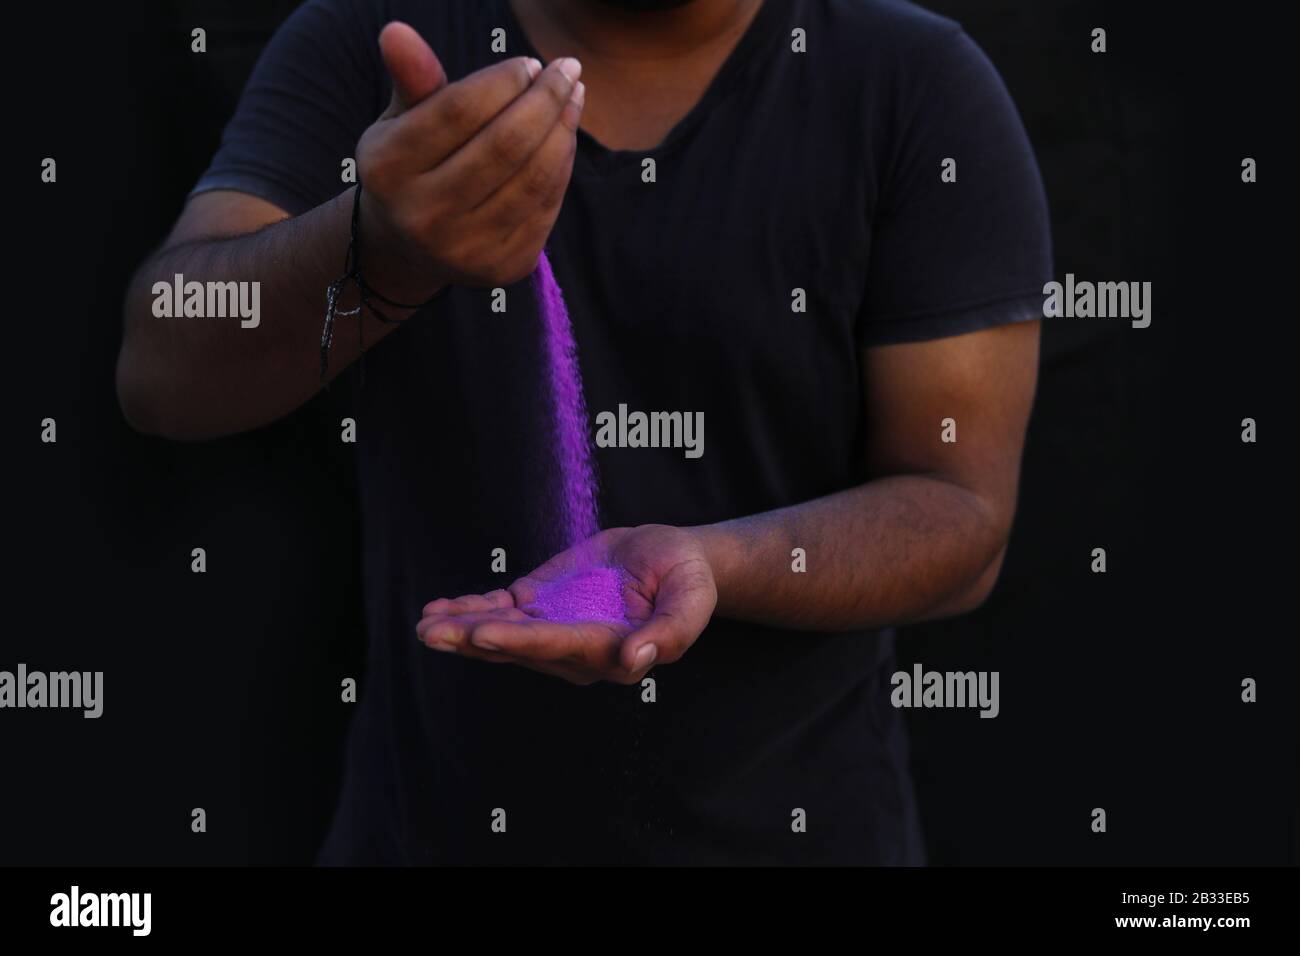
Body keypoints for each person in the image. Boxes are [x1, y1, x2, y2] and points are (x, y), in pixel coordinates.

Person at [118, 0, 1051, 865]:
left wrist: (713, 563)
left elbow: (961, 513)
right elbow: (164, 373)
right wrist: (377, 252)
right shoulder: (376, 32)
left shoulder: (913, 82)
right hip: (428, 834)